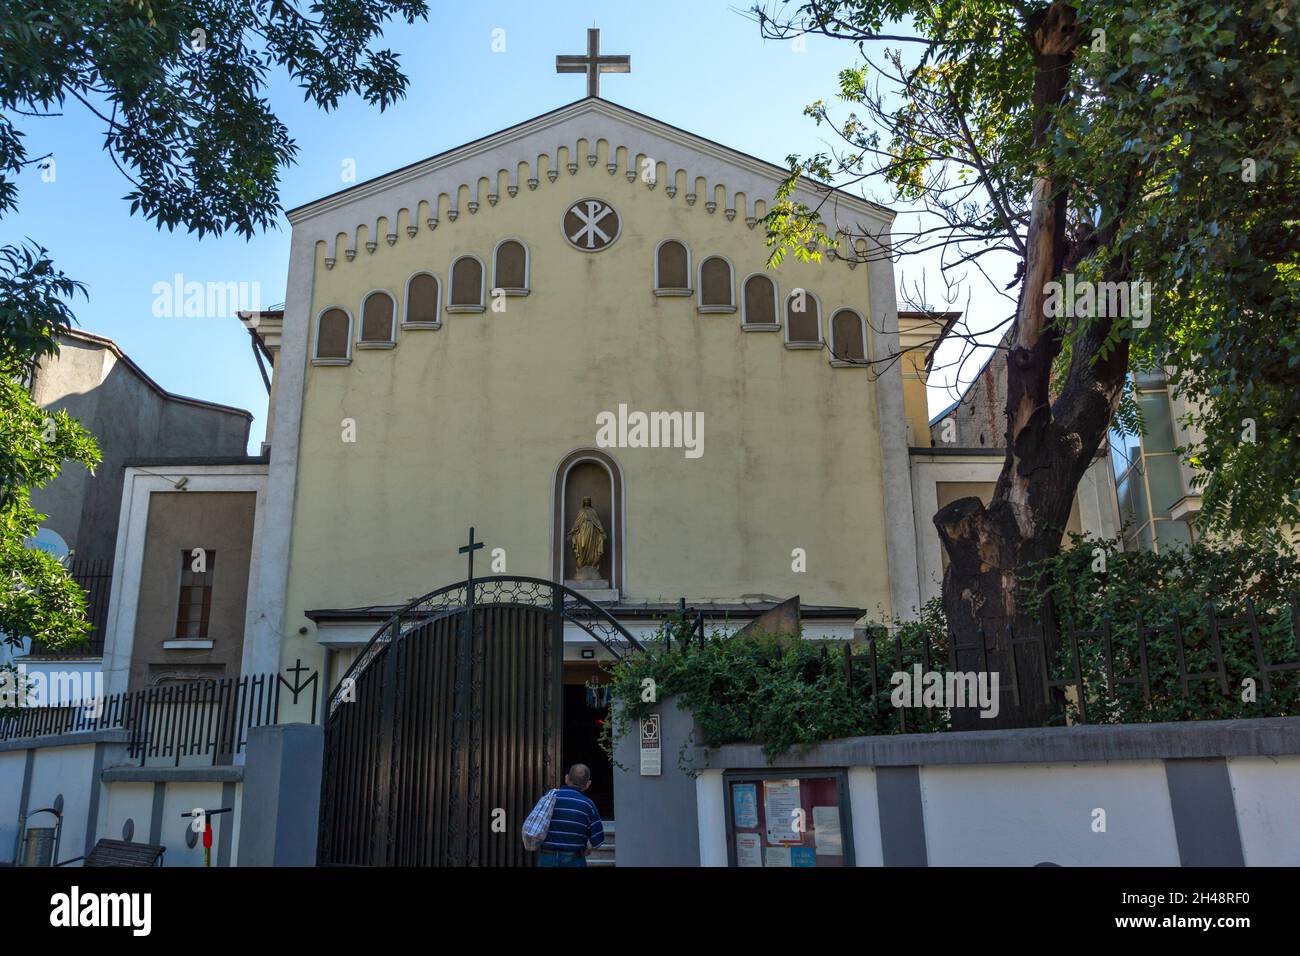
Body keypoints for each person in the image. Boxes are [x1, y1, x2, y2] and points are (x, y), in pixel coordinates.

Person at [536, 763, 605, 867]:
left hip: (546, 858)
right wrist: (588, 846)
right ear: (588, 784)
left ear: (566, 778)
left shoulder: (550, 798)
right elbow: (598, 840)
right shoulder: (588, 805)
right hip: (574, 860)